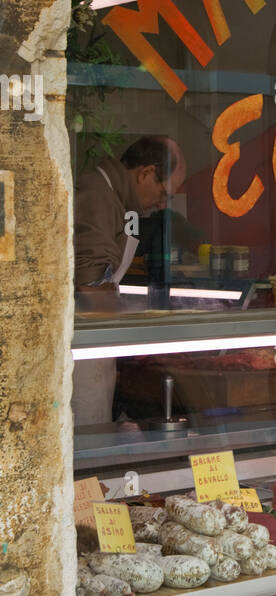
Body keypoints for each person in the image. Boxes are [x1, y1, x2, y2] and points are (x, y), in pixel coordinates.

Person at [72, 136, 186, 425]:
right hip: (81, 355)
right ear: (145, 173)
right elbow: (90, 290)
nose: (162, 205)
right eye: (163, 193)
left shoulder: (110, 196)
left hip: (92, 350)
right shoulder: (97, 196)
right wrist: (139, 316)